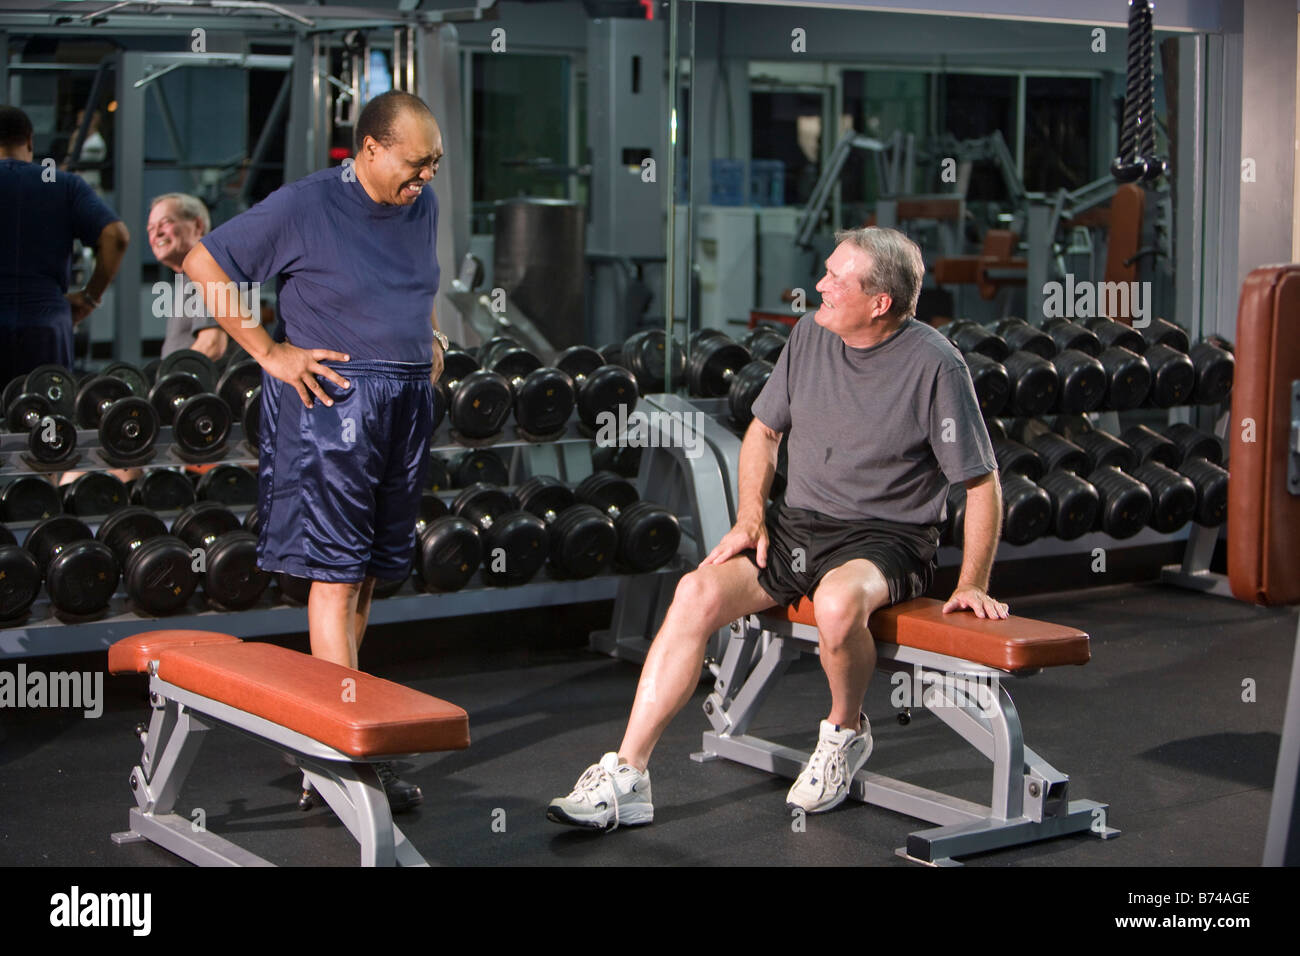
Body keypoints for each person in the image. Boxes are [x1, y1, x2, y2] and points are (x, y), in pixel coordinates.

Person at [548, 226, 1008, 830]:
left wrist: (972, 580)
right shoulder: (810, 339)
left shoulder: (936, 366)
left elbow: (980, 484)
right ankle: (627, 776)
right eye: (826, 271)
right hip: (799, 527)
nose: (819, 285)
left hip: (888, 538)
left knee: (840, 605)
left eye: (836, 279)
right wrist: (749, 516)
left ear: (880, 303)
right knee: (695, 592)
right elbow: (764, 433)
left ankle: (845, 732)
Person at [182, 90, 447, 813]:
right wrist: (268, 350)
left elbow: (407, 286)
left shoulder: (417, 205)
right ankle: (344, 753)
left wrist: (425, 336)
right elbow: (204, 261)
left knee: (365, 577)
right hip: (333, 403)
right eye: (416, 162)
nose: (426, 178)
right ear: (369, 149)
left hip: (402, 399)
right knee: (333, 579)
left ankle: (332, 738)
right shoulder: (303, 205)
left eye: (434, 165)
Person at [0, 105, 129, 385]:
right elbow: (116, 237)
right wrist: (90, 297)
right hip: (46, 327)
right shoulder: (63, 183)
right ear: (30, 140)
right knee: (47, 417)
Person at [147, 193, 231, 360]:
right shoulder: (189, 278)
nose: (156, 233)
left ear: (198, 226)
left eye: (165, 223)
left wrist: (173, 381)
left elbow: (212, 344)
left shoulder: (210, 267)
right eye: (150, 228)